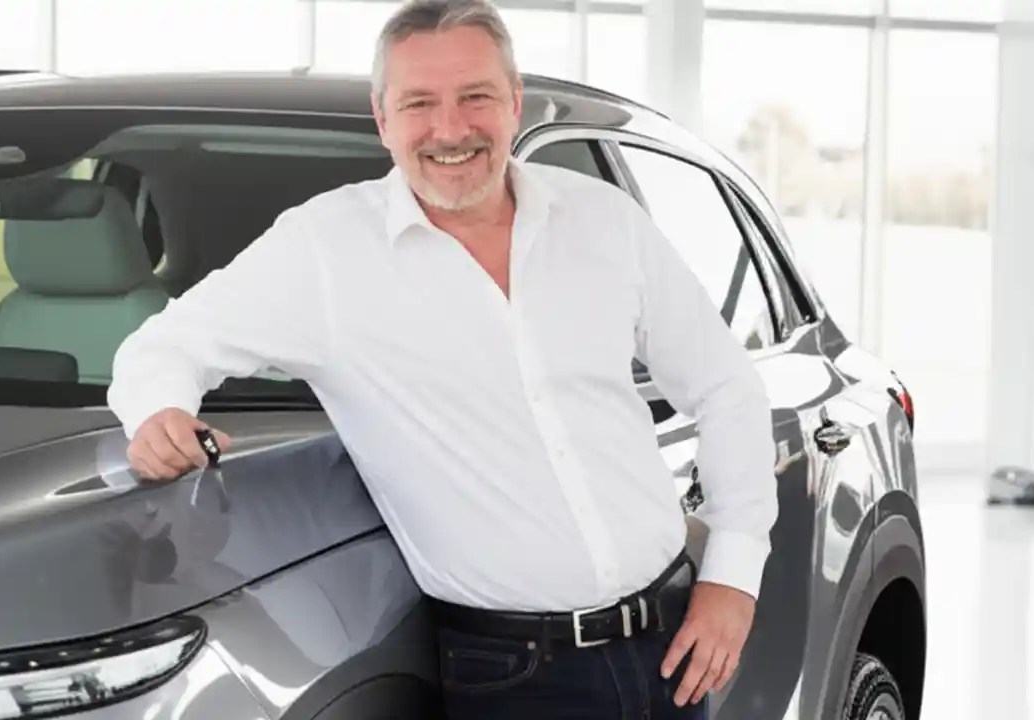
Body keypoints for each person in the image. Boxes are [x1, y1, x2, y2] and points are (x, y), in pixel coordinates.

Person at [106, 0, 778, 717]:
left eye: (476, 97)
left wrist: (733, 578)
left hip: (675, 642)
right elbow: (163, 346)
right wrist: (159, 413)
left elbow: (724, 385)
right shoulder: (327, 252)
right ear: (383, 117)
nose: (451, 129)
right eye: (420, 103)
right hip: (515, 677)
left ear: (514, 102)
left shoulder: (604, 220)